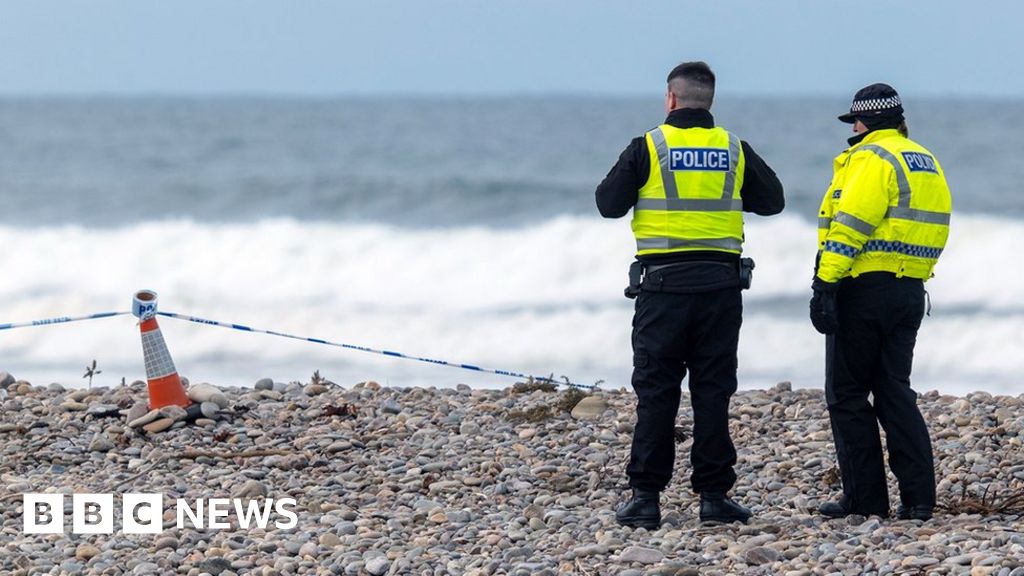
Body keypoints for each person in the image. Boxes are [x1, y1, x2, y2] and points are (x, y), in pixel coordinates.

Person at [596, 61, 784, 527]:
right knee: (713, 392)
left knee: (657, 392)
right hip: (720, 288)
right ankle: (714, 498)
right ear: (709, 100)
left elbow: (608, 204)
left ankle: (645, 499)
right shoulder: (733, 149)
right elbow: (773, 201)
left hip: (663, 290)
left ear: (671, 99)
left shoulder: (649, 146)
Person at [810, 83, 952, 521]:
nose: (852, 129)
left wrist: (824, 283)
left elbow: (851, 226)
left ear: (864, 122)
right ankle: (919, 499)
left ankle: (865, 500)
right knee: (894, 392)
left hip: (864, 289)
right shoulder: (924, 159)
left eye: (854, 122)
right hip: (910, 289)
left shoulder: (871, 158)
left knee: (847, 394)